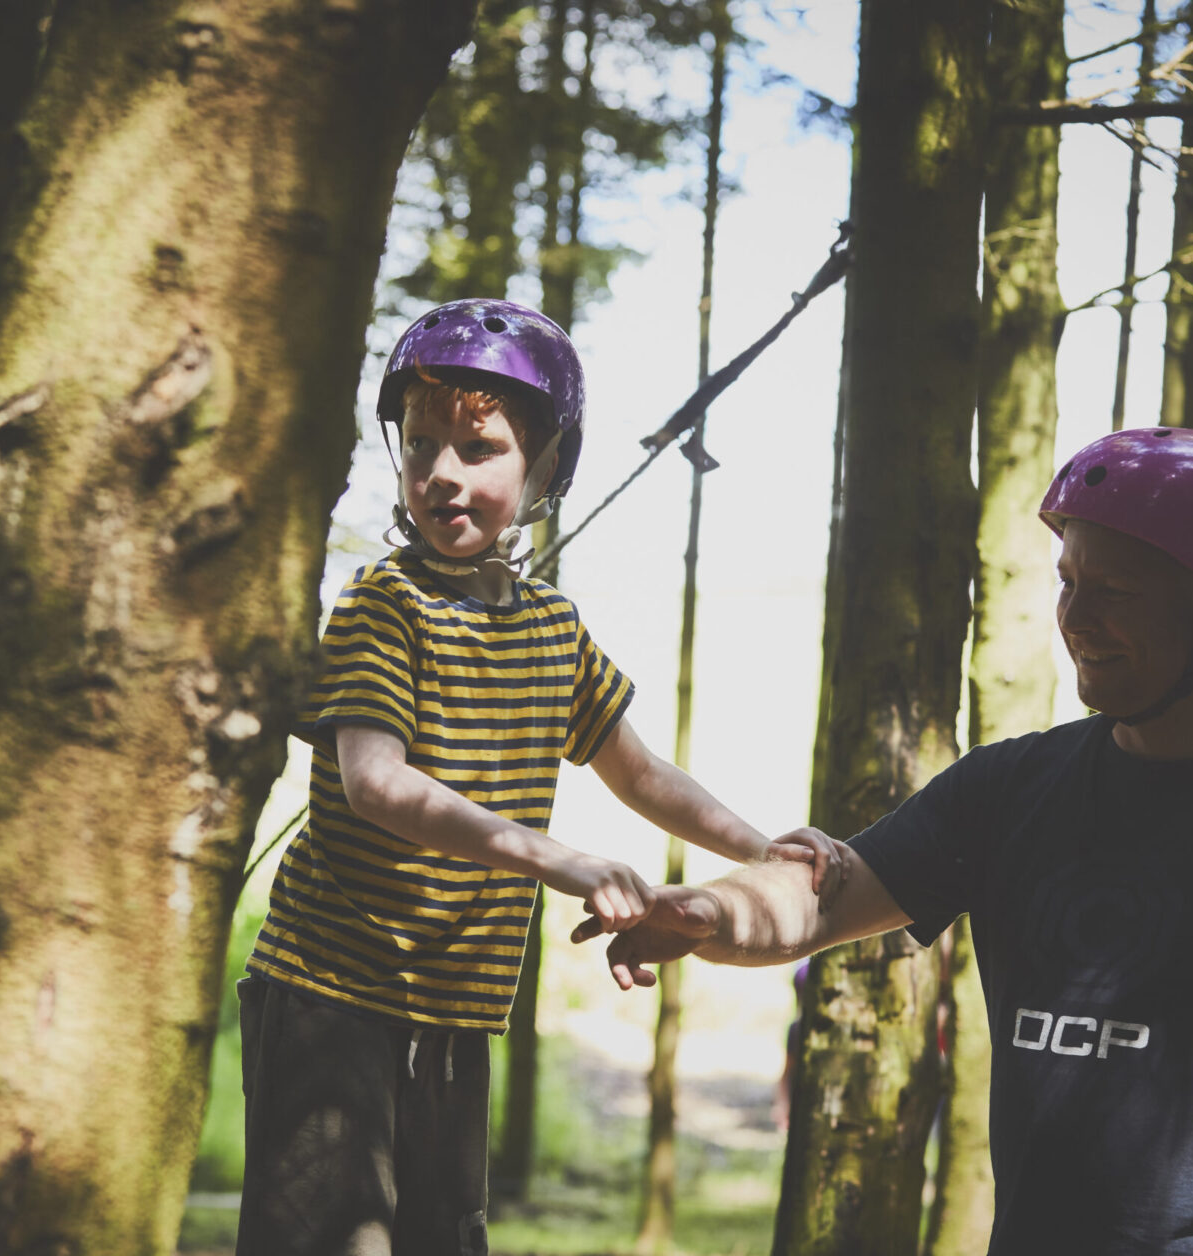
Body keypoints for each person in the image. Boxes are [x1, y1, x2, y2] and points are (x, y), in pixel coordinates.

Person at [581, 428, 1193, 1256]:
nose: (1076, 619)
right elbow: (826, 893)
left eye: (1113, 592)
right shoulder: (1010, 788)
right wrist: (705, 910)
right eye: (1068, 583)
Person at [236, 299, 838, 1256]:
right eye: (421, 444)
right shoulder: (381, 605)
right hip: (334, 993)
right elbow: (376, 784)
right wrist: (558, 859)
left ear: (546, 466)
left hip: (455, 1008)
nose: (441, 474)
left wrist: (763, 847)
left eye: (478, 451)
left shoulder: (552, 628)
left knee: (445, 1240)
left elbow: (640, 774)